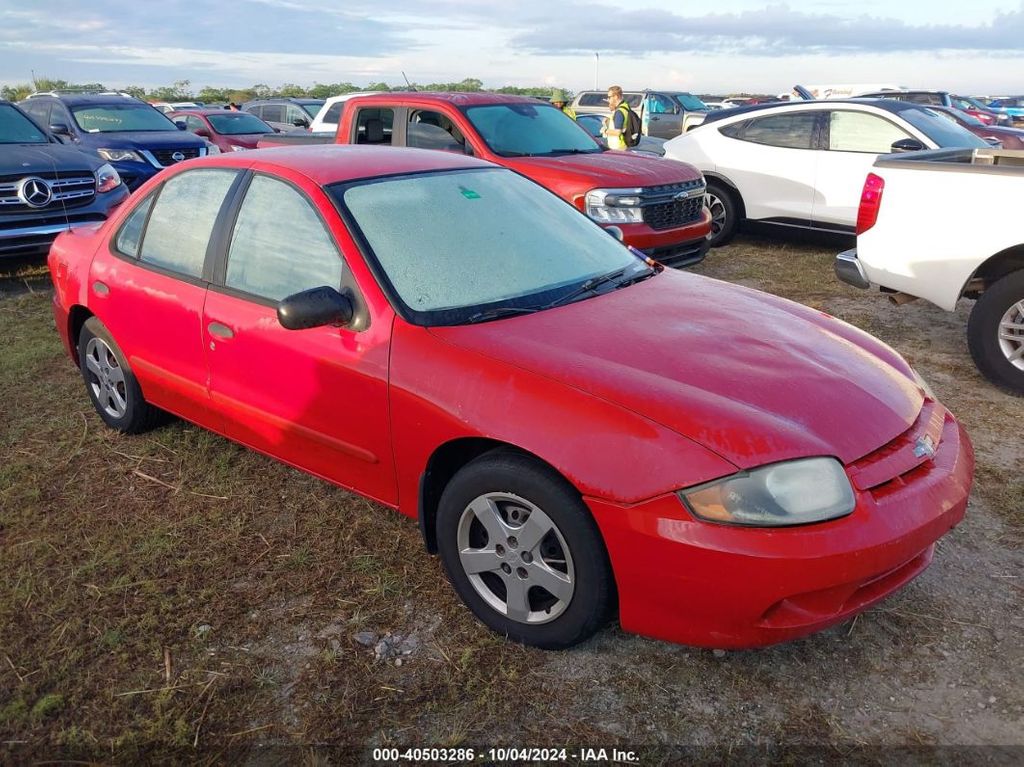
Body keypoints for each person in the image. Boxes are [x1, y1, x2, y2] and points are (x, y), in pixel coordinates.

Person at [601, 85, 629, 150]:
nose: (608, 99)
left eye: (609, 97)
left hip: (617, 146)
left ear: (616, 97)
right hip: (623, 143)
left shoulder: (619, 112)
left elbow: (617, 132)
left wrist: (605, 131)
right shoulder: (625, 106)